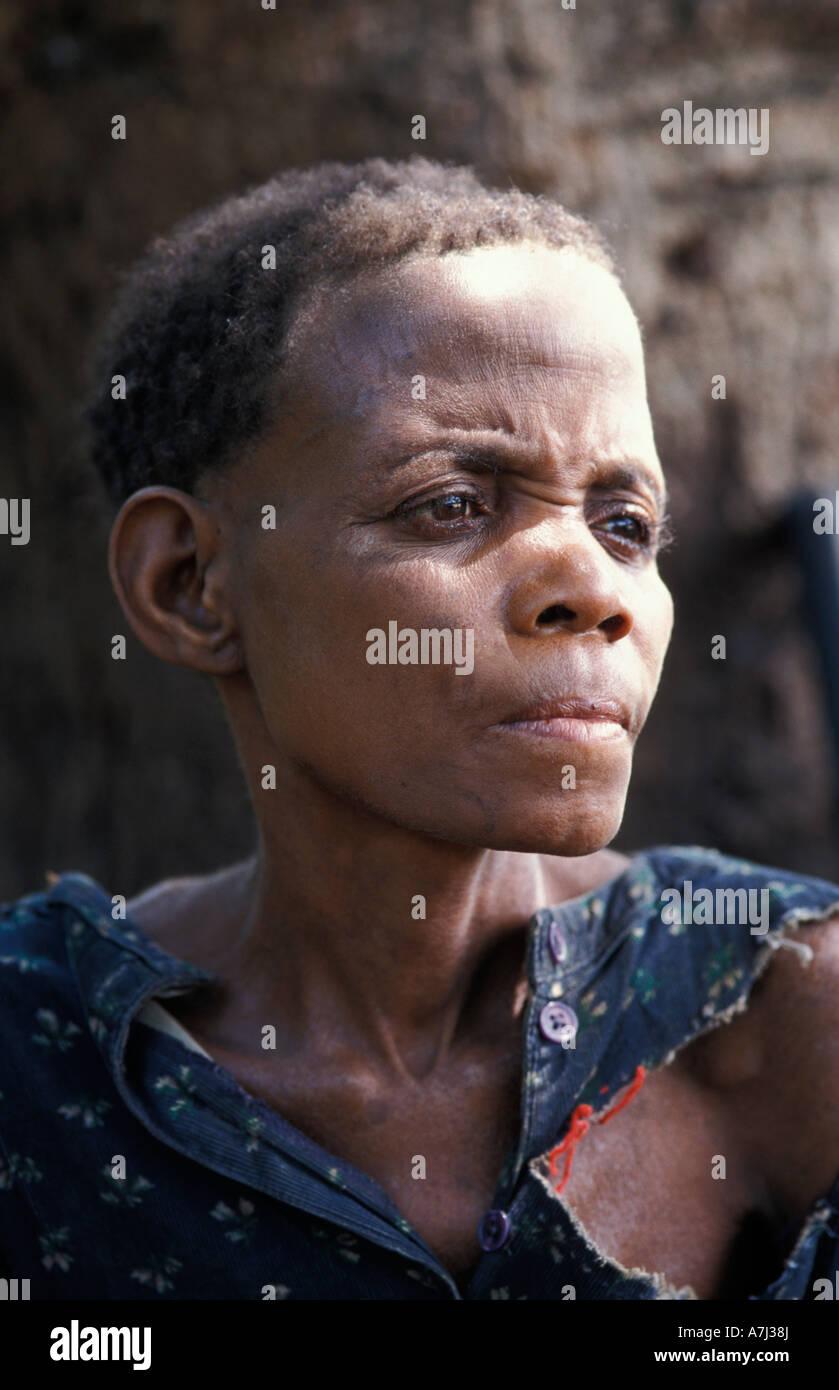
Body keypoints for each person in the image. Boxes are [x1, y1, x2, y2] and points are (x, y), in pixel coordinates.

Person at [3, 157, 839, 1302]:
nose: (589, 587)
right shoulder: (42, 1064)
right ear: (191, 582)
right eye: (450, 503)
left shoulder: (773, 1003)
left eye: (624, 523)